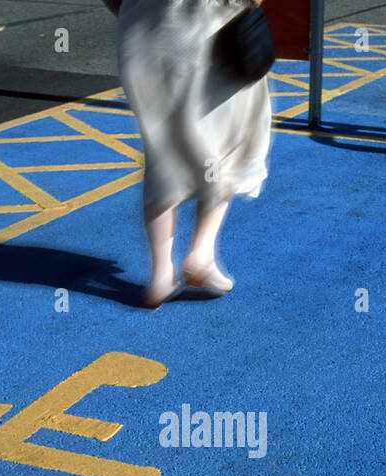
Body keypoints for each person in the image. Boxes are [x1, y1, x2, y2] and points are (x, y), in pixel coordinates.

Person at [103, 0, 273, 307]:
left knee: (164, 151)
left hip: (144, 33)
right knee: (228, 143)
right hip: (210, 30)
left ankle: (160, 274)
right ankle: (201, 254)